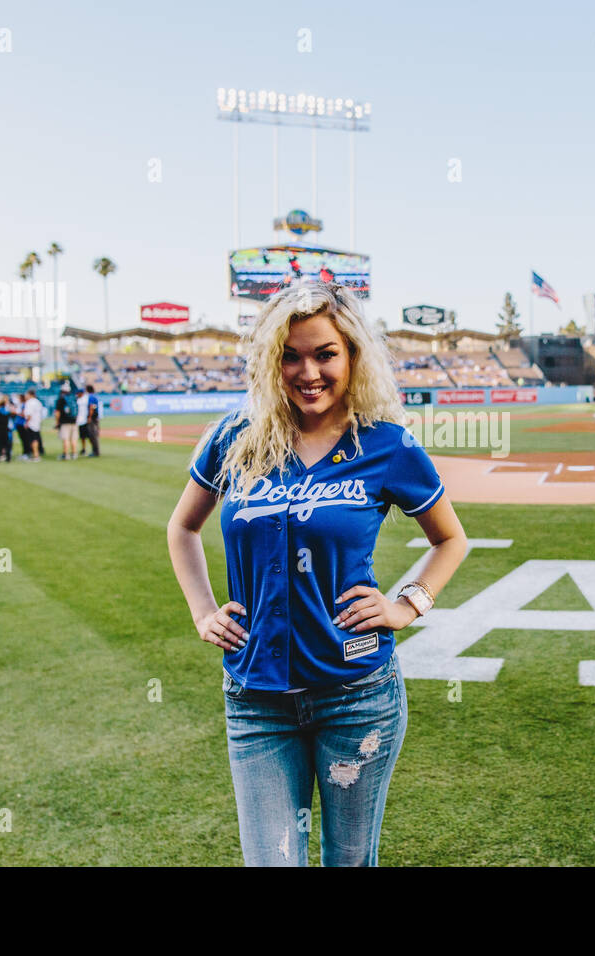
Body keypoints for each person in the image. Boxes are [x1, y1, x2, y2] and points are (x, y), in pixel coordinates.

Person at [167, 281, 468, 867]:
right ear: (269, 359)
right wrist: (202, 611)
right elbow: (182, 528)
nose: (309, 371)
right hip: (256, 700)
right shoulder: (235, 438)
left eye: (325, 353)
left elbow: (450, 538)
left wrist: (407, 604)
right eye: (291, 354)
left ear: (352, 355)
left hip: (356, 696)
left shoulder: (386, 445)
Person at [55, 382, 78, 460]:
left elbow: (57, 412)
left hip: (64, 422)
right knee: (73, 439)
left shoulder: (61, 399)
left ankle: (66, 454)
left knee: (66, 439)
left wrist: (57, 422)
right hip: (74, 421)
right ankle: (74, 454)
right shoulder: (74, 398)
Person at [23, 388, 44, 462]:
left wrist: (26, 423)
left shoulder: (30, 402)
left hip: (32, 423)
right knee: (35, 439)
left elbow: (29, 415)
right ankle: (36, 454)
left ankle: (35, 455)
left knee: (33, 440)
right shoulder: (37, 402)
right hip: (37, 423)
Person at [84, 384, 101, 457]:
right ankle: (96, 451)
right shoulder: (95, 396)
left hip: (93, 418)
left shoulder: (90, 397)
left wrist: (89, 417)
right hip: (96, 417)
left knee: (92, 435)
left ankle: (95, 451)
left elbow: (91, 407)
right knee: (94, 434)